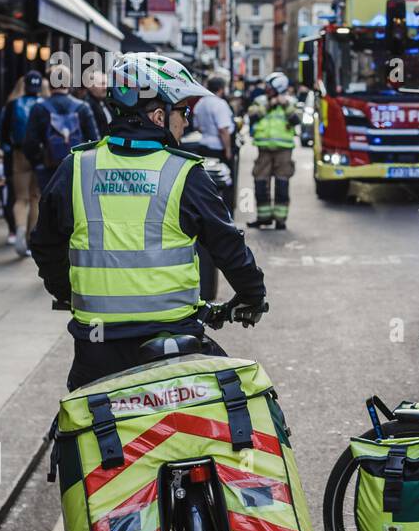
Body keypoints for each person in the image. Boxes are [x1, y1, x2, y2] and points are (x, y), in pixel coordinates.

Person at [29, 53, 268, 391]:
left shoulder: (77, 167)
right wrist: (251, 296)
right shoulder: (184, 172)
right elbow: (228, 245)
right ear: (158, 116)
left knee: (85, 431)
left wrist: (67, 292)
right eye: (182, 113)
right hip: (174, 342)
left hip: (97, 343)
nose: (186, 123)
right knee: (229, 411)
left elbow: (45, 244)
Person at [23, 64, 97, 193]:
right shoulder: (83, 108)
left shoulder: (39, 108)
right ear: (69, 83)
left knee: (49, 208)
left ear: (49, 83)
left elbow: (30, 142)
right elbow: (94, 141)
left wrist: (38, 163)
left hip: (48, 169)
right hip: (77, 167)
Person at [0, 72, 47, 257]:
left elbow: (3, 131)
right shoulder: (44, 105)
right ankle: (29, 237)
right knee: (35, 197)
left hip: (19, 153)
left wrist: (8, 149)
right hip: (40, 153)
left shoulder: (12, 105)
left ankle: (18, 227)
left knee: (21, 198)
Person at [246, 72, 299, 230]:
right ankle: (264, 217)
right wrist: (269, 104)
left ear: (279, 87)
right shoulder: (260, 100)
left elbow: (296, 120)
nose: (266, 90)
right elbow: (253, 115)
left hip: (284, 151)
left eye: (270, 87)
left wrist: (285, 105)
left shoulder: (291, 102)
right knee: (260, 182)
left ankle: (280, 220)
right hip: (263, 150)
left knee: (282, 183)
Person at [186, 73, 235, 165]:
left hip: (203, 145)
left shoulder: (200, 103)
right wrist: (228, 150)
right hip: (218, 147)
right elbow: (223, 129)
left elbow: (197, 127)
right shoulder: (220, 103)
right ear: (221, 89)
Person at [85, 70, 114, 138]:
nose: (105, 87)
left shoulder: (107, 101)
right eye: (102, 84)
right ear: (91, 86)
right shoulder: (87, 106)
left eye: (106, 84)